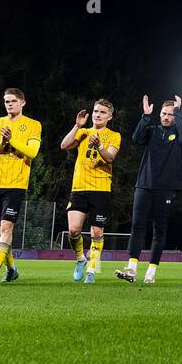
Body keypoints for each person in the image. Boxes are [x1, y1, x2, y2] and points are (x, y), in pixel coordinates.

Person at [119, 95, 182, 284]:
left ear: (175, 116)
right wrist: (145, 116)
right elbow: (136, 138)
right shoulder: (151, 130)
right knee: (137, 226)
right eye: (164, 113)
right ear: (159, 114)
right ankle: (132, 269)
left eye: (170, 114)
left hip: (167, 188)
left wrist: (179, 112)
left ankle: (151, 272)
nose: (167, 117)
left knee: (159, 230)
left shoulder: (178, 132)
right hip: (144, 184)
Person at [0, 88, 41, 284]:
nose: (9, 104)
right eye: (6, 101)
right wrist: (1, 142)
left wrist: (11, 140)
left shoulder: (33, 125)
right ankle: (12, 269)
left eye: (13, 101)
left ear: (23, 102)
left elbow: (32, 152)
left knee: (6, 227)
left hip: (16, 184)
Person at [59, 100, 121, 285]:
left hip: (101, 188)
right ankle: (80, 259)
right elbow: (64, 145)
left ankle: (92, 270)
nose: (97, 114)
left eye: (102, 112)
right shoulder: (83, 132)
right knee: (73, 230)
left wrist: (100, 145)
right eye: (95, 111)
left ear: (109, 116)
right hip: (79, 187)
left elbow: (110, 157)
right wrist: (77, 125)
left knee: (96, 231)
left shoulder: (114, 135)